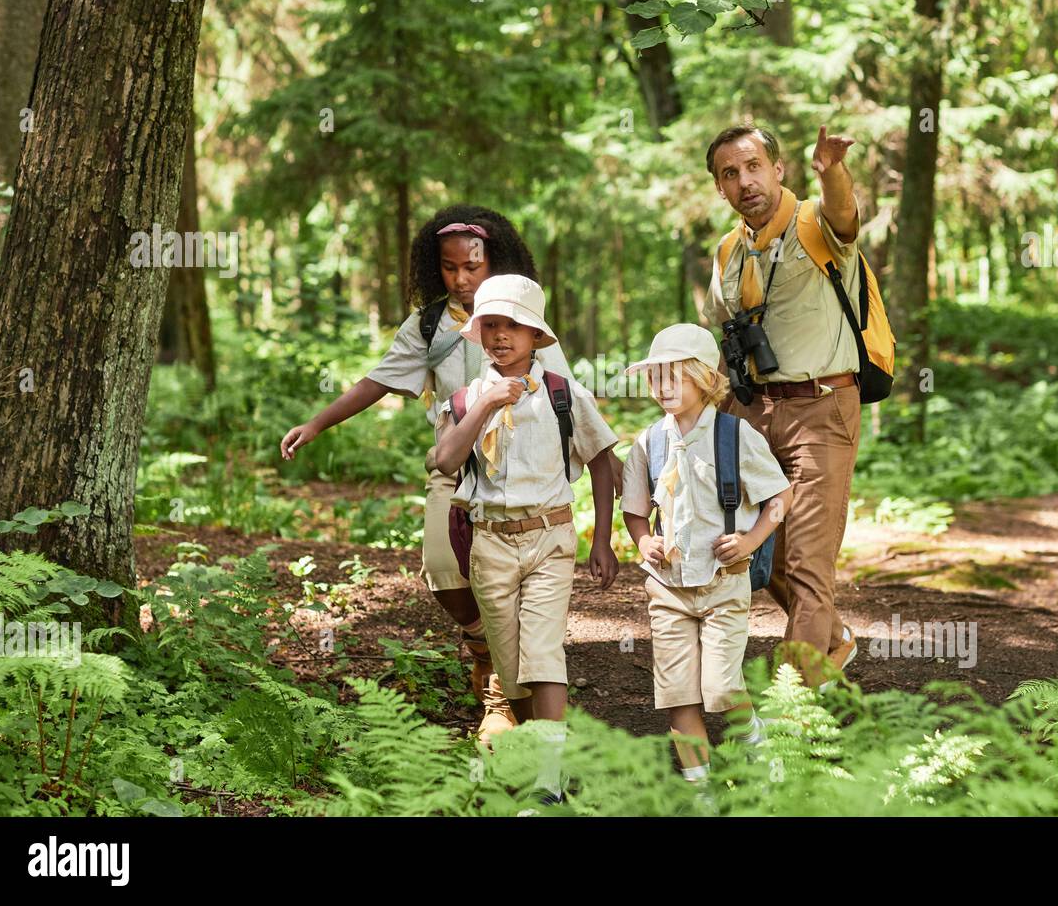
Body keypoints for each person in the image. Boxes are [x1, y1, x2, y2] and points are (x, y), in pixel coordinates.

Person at [280, 205, 611, 744]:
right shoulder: (430, 325)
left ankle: (502, 696)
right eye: (449, 268)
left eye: (472, 267)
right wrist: (317, 424)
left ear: (495, 264)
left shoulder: (522, 321)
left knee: (508, 590)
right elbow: (378, 381)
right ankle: (482, 645)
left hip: (520, 476)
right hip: (454, 466)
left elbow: (572, 410)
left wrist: (618, 487)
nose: (461, 278)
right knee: (443, 569)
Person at [432, 274, 620, 805]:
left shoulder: (562, 394)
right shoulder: (467, 398)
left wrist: (602, 539)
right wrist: (487, 404)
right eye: (490, 324)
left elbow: (604, 463)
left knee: (543, 653)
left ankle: (549, 782)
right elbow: (446, 460)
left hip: (549, 537)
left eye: (513, 325)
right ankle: (549, 751)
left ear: (536, 336)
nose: (500, 335)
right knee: (510, 668)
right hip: (490, 542)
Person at [698, 123, 864, 688]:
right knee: (760, 550)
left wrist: (833, 170)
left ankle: (791, 721)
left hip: (822, 407)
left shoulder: (817, 222)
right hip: (751, 415)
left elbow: (847, 217)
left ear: (778, 169)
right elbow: (725, 341)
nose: (744, 181)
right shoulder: (727, 251)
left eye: (753, 166)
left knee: (808, 567)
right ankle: (833, 639)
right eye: (729, 173)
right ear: (720, 187)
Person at [620, 323, 791, 792]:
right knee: (679, 696)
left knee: (720, 688)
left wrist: (751, 541)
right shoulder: (649, 441)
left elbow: (779, 497)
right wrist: (641, 542)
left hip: (723, 584)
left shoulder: (736, 436)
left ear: (703, 377)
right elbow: (635, 512)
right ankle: (701, 793)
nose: (663, 387)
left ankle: (759, 743)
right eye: (655, 377)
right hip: (668, 588)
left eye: (675, 376)